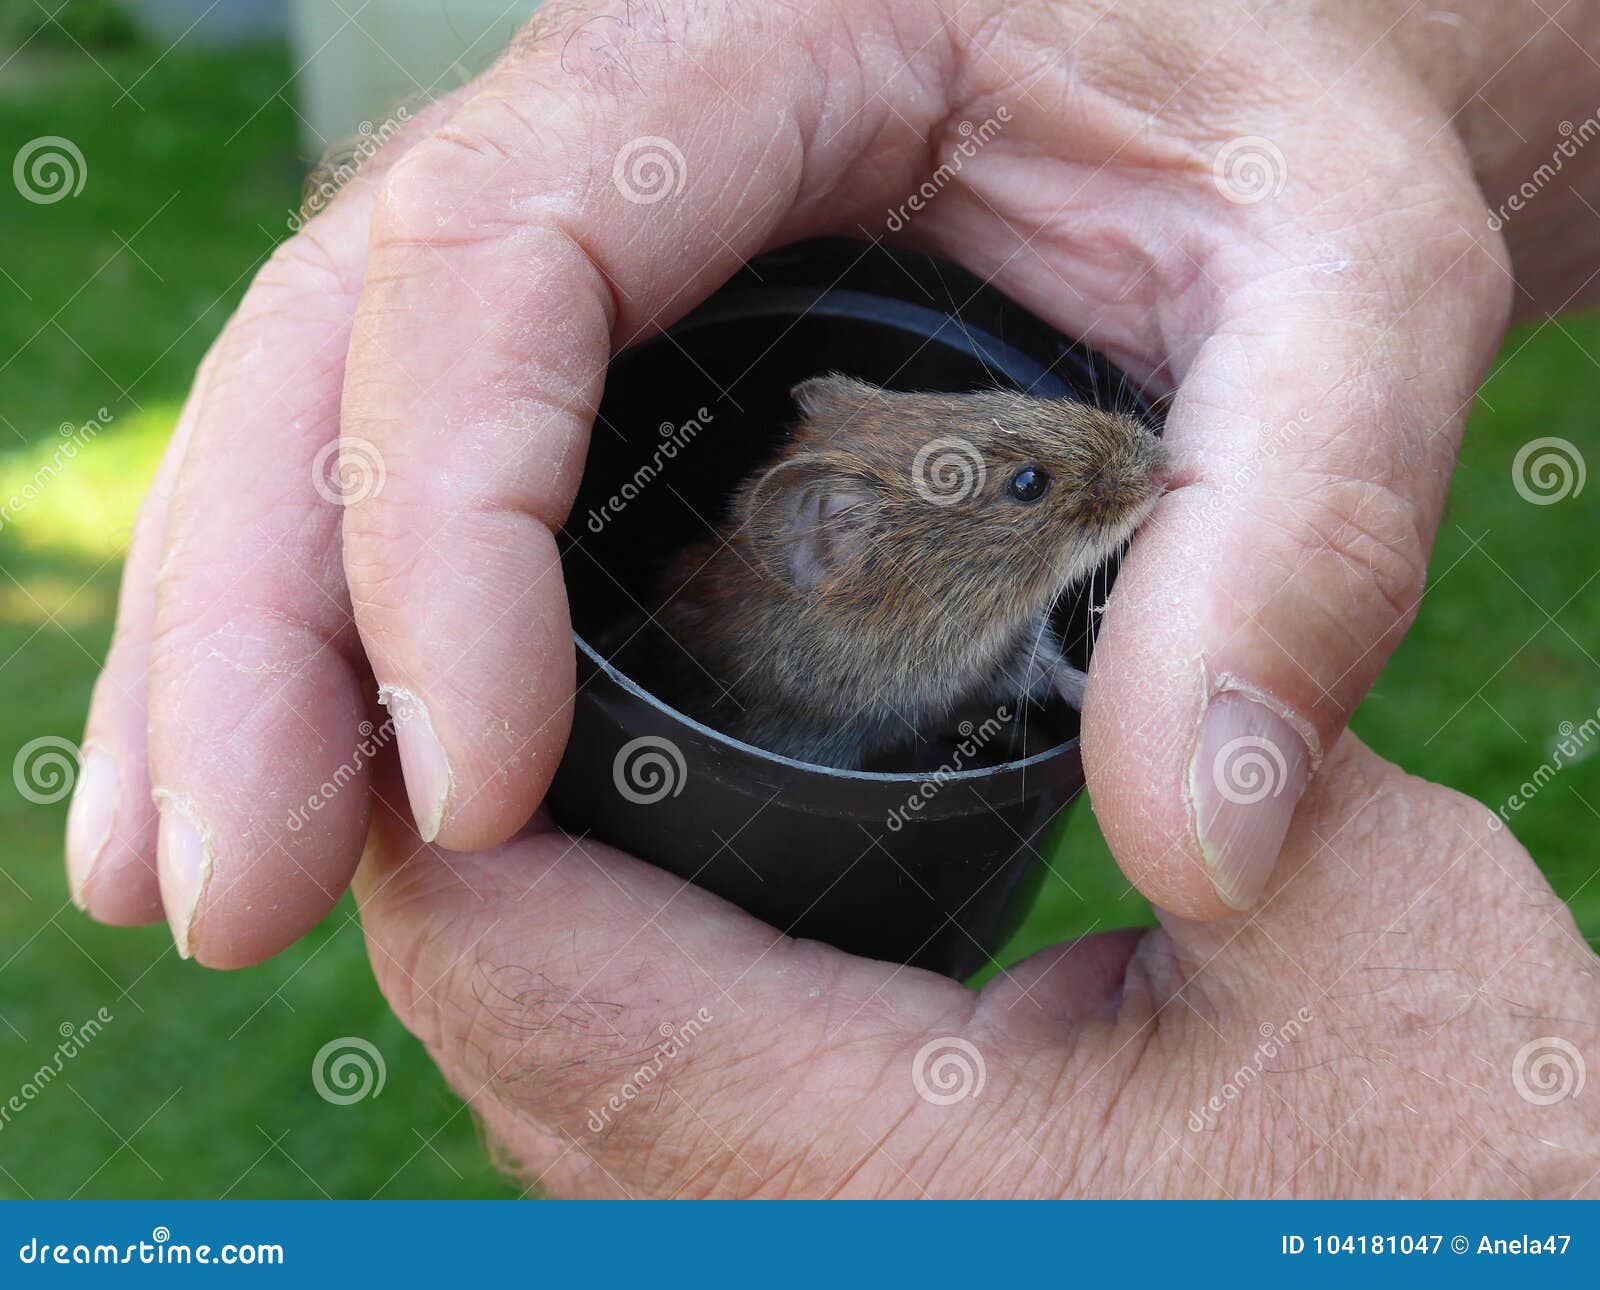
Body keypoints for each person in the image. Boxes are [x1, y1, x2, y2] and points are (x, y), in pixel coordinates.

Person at [63, 0, 1600, 1194]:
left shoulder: (905, 576)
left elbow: (991, 652)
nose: (1113, 473)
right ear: (835, 550)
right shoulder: (823, 627)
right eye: (1028, 487)